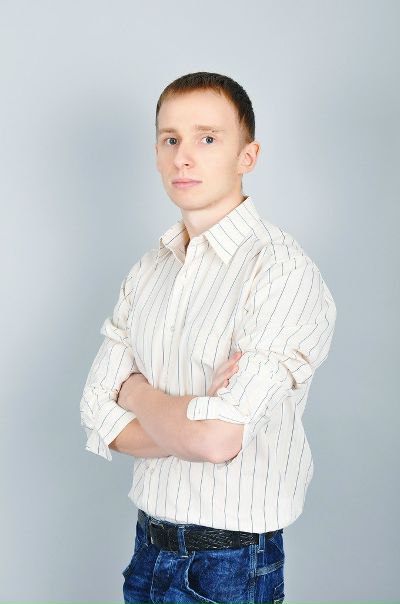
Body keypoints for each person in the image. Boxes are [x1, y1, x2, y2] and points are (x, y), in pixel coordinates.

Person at [79, 71, 337, 604]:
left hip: (229, 566)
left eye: (208, 138)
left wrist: (135, 393)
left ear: (248, 156)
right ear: (156, 153)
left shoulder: (280, 270)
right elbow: (98, 417)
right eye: (171, 139)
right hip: (147, 552)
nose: (184, 158)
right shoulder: (149, 271)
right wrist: (194, 421)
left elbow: (216, 441)